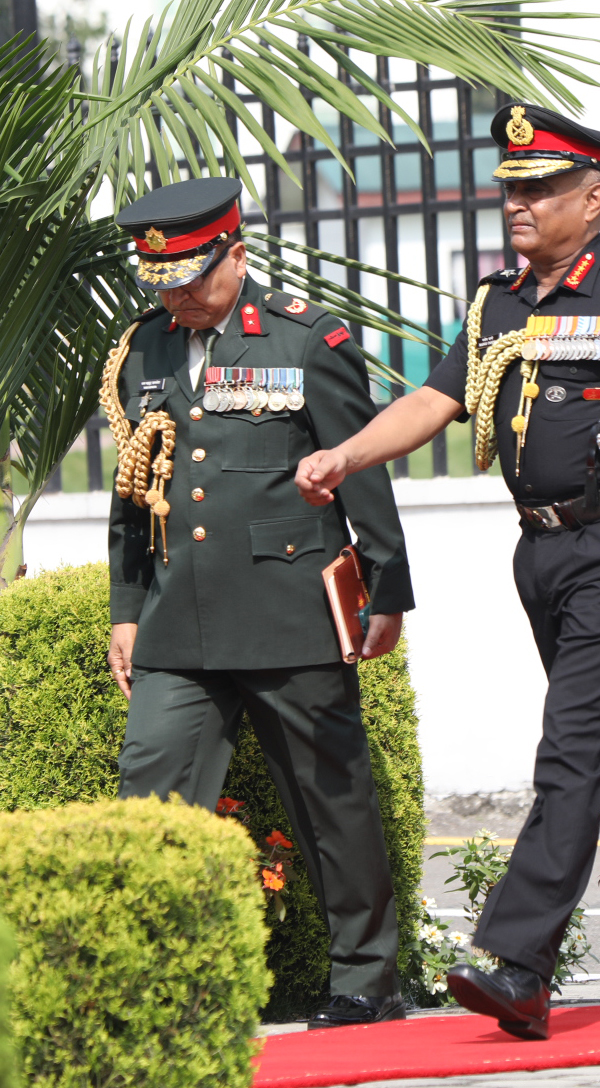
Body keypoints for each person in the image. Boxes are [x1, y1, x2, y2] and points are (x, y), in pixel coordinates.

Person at [294, 104, 600, 1036]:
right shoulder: (500, 299)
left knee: (572, 746)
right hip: (539, 552)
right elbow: (436, 396)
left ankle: (518, 959)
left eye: (541, 188)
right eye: (512, 188)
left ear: (593, 195)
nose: (520, 203)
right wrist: (349, 456)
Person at [105, 177, 414, 1028]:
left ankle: (366, 979)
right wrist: (126, 609)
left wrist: (386, 588)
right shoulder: (144, 351)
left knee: (331, 801)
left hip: (289, 610)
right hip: (178, 622)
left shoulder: (306, 339)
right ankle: (159, 987)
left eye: (192, 278)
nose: (177, 295)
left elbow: (362, 463)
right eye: (161, 281)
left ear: (236, 256)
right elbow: (136, 491)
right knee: (152, 795)